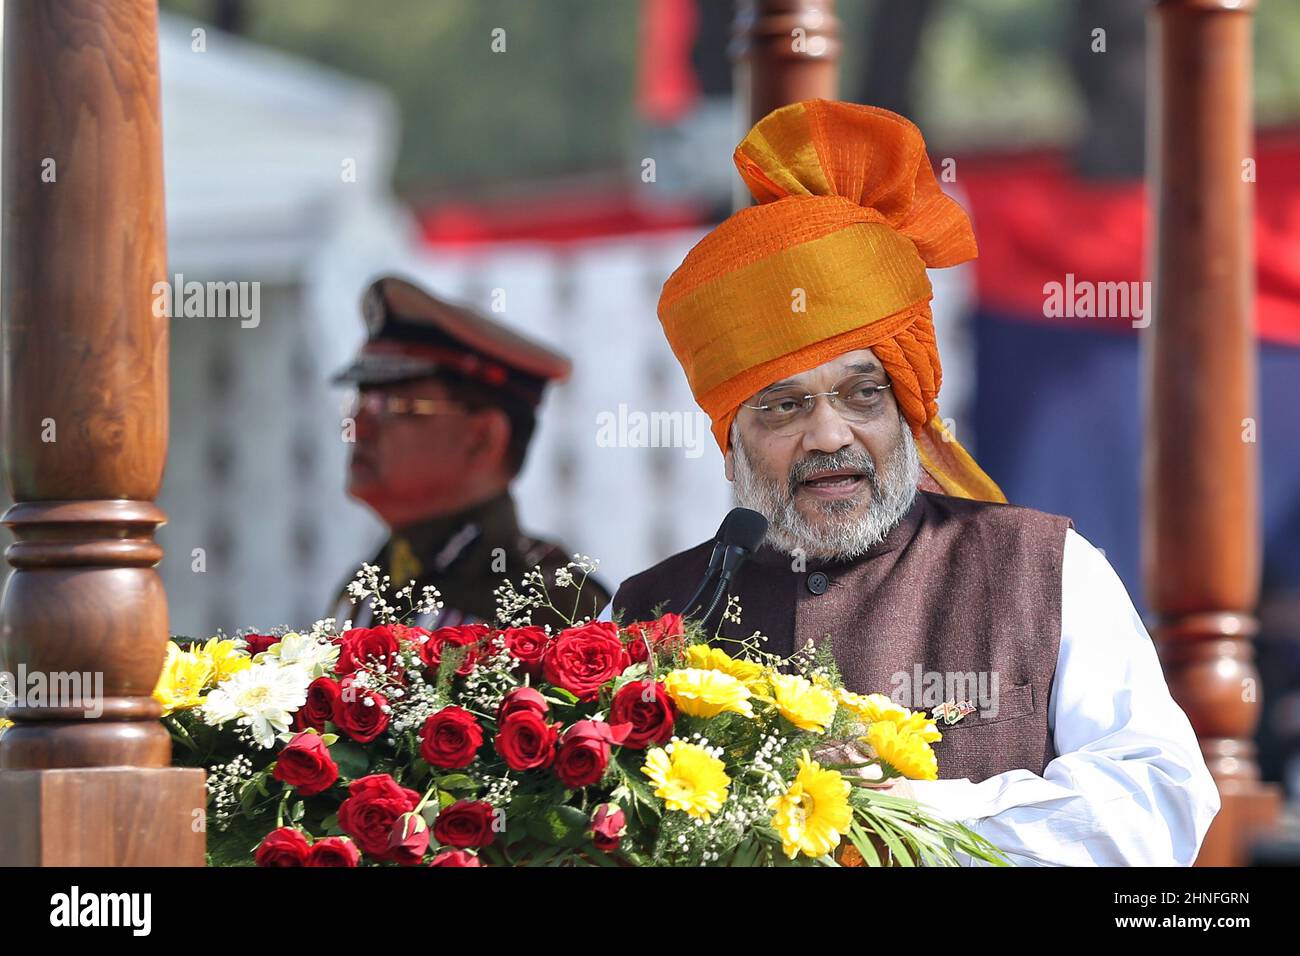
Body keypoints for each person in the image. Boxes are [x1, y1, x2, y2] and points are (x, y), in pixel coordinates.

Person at [607, 99, 1220, 865]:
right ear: (730, 438)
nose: (829, 436)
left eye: (863, 394)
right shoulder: (650, 613)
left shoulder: (1044, 570)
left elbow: (1158, 804)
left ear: (909, 402)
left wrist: (911, 818)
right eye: (784, 405)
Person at [329, 275, 610, 632]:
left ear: (482, 437)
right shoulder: (367, 585)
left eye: (393, 404)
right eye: (361, 401)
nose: (359, 425)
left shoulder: (549, 600)